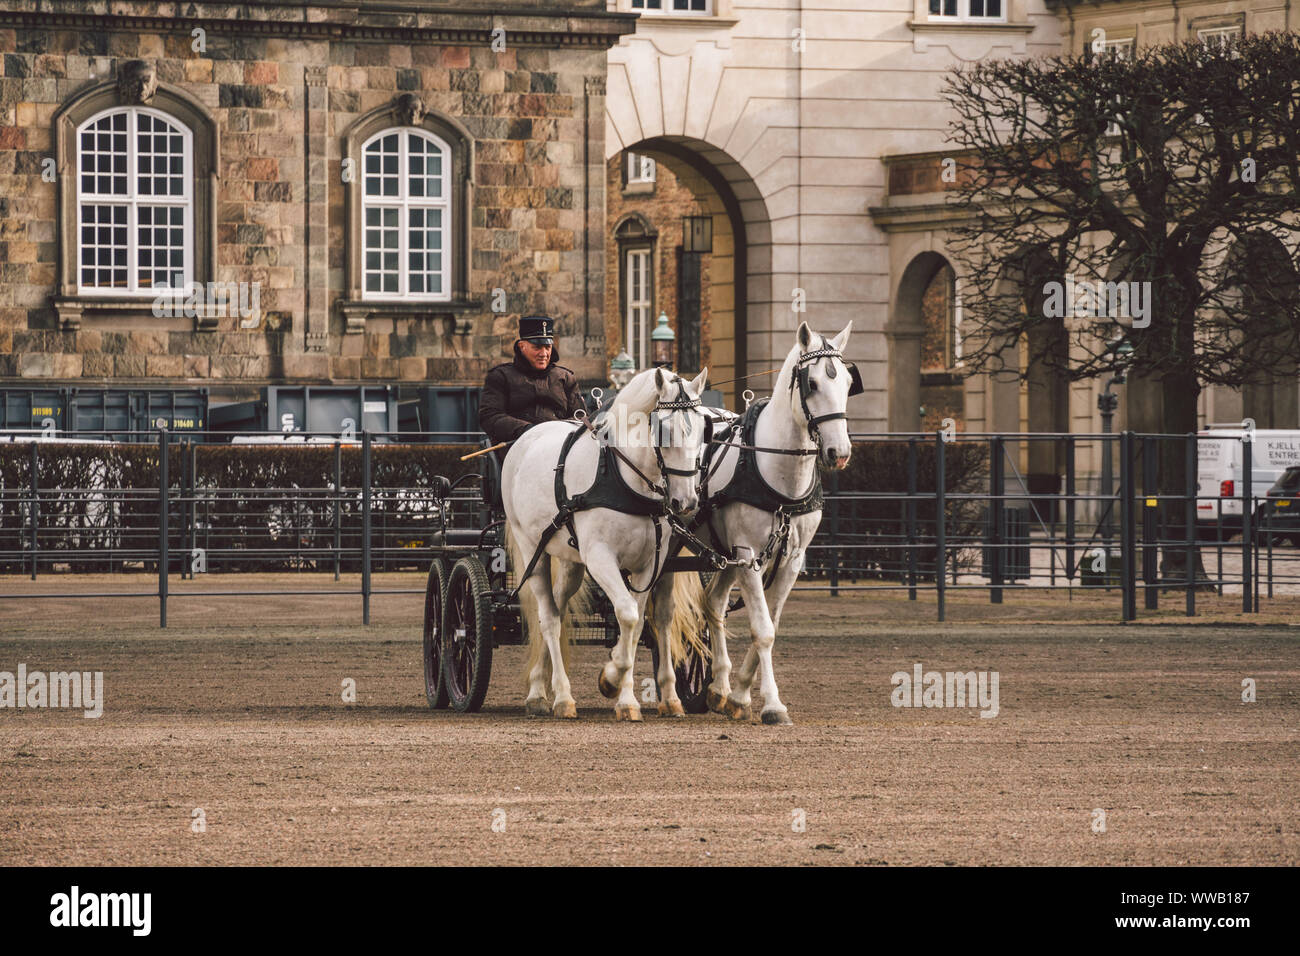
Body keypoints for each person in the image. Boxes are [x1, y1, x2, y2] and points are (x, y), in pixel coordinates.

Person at [478, 315, 584, 448]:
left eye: (547, 347)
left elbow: (580, 417)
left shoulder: (566, 378)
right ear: (522, 346)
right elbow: (490, 416)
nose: (544, 353)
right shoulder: (500, 376)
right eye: (537, 347)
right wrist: (526, 430)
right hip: (516, 446)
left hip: (560, 447)